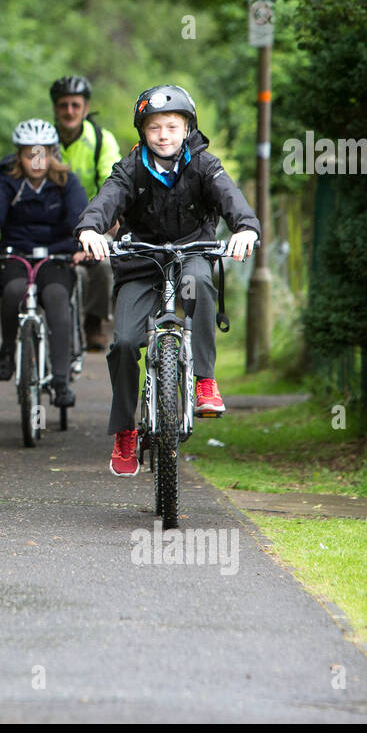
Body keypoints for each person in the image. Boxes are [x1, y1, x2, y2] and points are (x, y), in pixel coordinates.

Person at [75, 84, 260, 477]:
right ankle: (125, 429)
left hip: (192, 253)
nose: (163, 135)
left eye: (172, 126)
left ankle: (205, 381)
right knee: (124, 342)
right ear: (143, 131)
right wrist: (91, 229)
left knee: (201, 283)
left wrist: (245, 228)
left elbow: (232, 199)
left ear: (187, 128)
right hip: (140, 262)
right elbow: (107, 198)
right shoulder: (131, 168)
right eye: (155, 127)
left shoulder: (205, 165)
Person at [0, 118, 88, 408]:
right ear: (18, 156)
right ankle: (8, 350)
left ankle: (60, 380)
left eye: (42, 153)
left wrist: (82, 245)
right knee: (14, 291)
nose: (36, 160)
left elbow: (80, 215)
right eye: (29, 153)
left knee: (57, 297)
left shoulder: (66, 182)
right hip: (16, 254)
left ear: (52, 154)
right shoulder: (7, 183)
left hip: (56, 256)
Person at [51, 75, 121, 351]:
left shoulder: (102, 140)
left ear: (85, 106)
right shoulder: (43, 140)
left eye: (75, 105)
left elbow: (112, 185)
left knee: (103, 265)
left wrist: (106, 226)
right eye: (63, 105)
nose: (69, 111)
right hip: (52, 222)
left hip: (95, 222)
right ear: (55, 108)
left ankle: (94, 321)